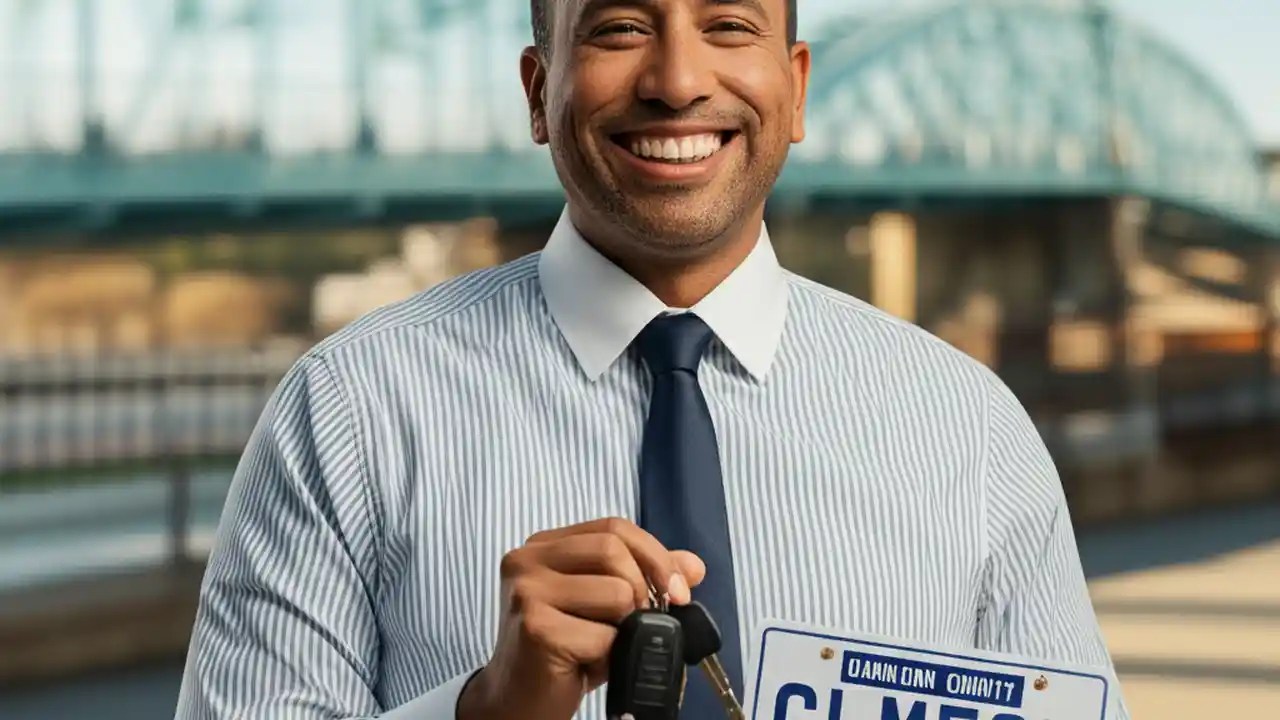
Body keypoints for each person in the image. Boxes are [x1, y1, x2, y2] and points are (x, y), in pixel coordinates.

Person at [176, 0, 1130, 718]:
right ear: (539, 92)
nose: (677, 79)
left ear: (795, 88)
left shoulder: (969, 428)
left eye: (726, 24)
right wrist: (483, 712)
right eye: (621, 27)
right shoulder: (347, 414)